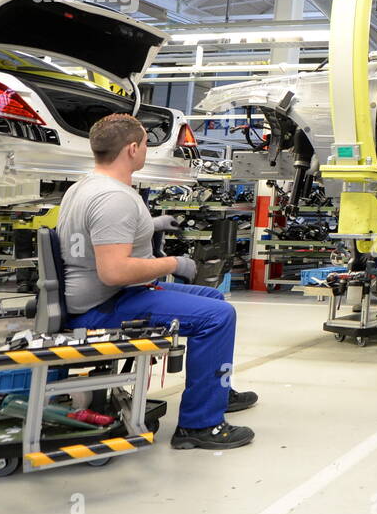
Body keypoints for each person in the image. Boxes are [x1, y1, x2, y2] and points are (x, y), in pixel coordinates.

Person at [57, 114, 258, 450]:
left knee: (213, 299)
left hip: (102, 294)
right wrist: (174, 263)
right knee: (219, 317)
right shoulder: (114, 198)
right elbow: (115, 271)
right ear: (133, 148)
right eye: (147, 145)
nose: (147, 150)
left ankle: (215, 390)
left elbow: (108, 234)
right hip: (103, 304)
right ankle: (199, 426)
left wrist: (153, 224)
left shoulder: (86, 186)